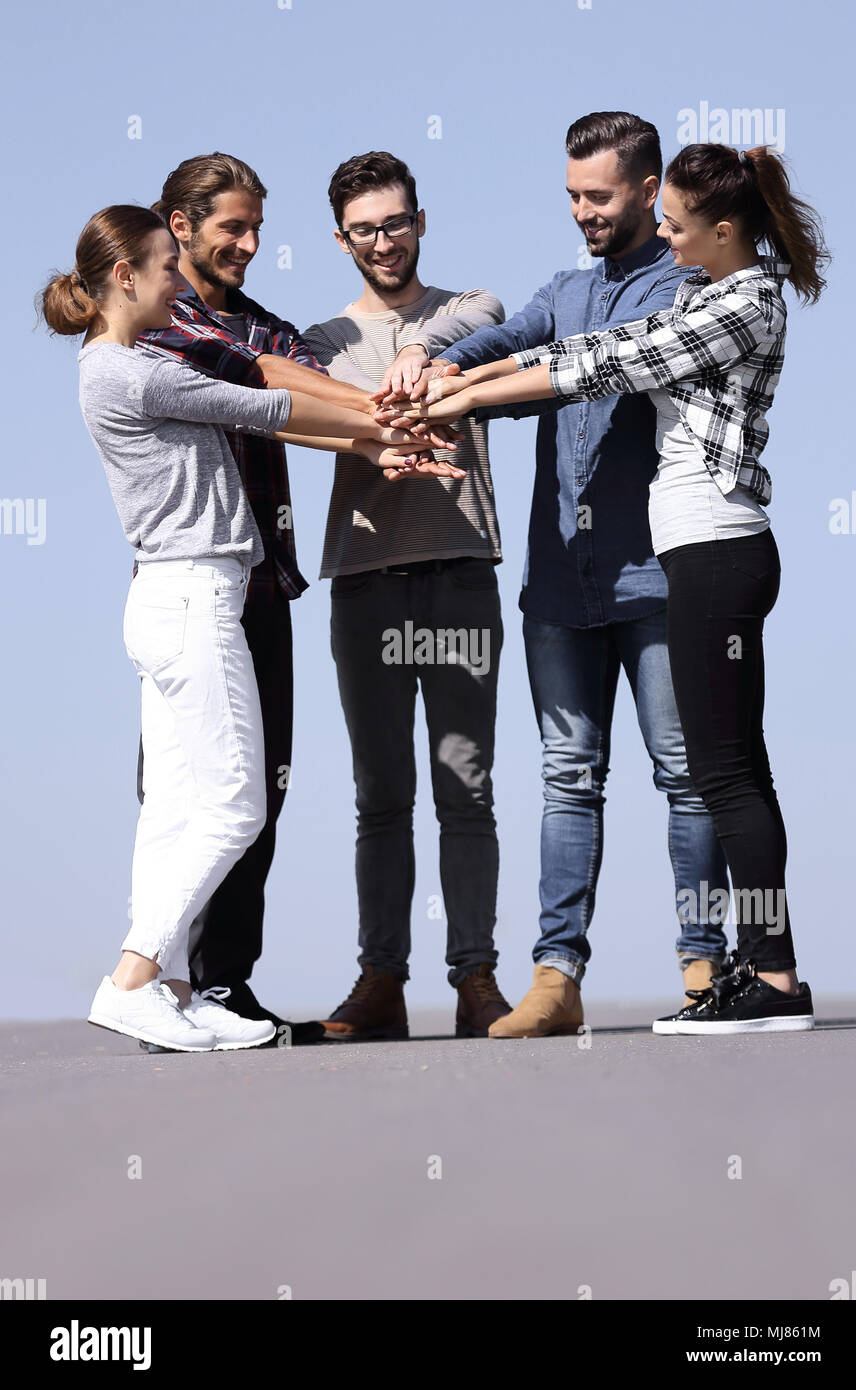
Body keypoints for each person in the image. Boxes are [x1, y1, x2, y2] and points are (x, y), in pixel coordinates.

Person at [394, 141, 829, 1034]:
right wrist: (462, 372)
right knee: (724, 770)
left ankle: (769, 976)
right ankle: (763, 967)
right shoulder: (711, 291)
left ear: (720, 228)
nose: (665, 236)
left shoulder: (738, 303)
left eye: (673, 221)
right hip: (694, 551)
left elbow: (605, 366)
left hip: (712, 548)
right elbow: (599, 341)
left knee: (719, 775)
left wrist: (462, 400)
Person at [40, 204, 457, 1052]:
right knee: (235, 804)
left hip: (172, 600)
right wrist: (391, 423)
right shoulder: (136, 370)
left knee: (175, 810)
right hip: (193, 598)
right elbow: (264, 404)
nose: (174, 283)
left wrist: (375, 446)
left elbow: (270, 407)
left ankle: (169, 989)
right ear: (126, 278)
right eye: (164, 269)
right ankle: (131, 978)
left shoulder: (108, 366)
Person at [301, 151, 513, 1040]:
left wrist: (422, 353)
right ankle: (380, 981)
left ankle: (475, 981)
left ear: (420, 222)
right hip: (364, 578)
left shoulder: (469, 312)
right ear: (340, 239)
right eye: (364, 229)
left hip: (460, 571)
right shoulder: (317, 345)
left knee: (464, 786)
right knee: (379, 793)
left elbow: (484, 317)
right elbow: (301, 417)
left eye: (396, 222)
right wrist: (370, 427)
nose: (383, 241)